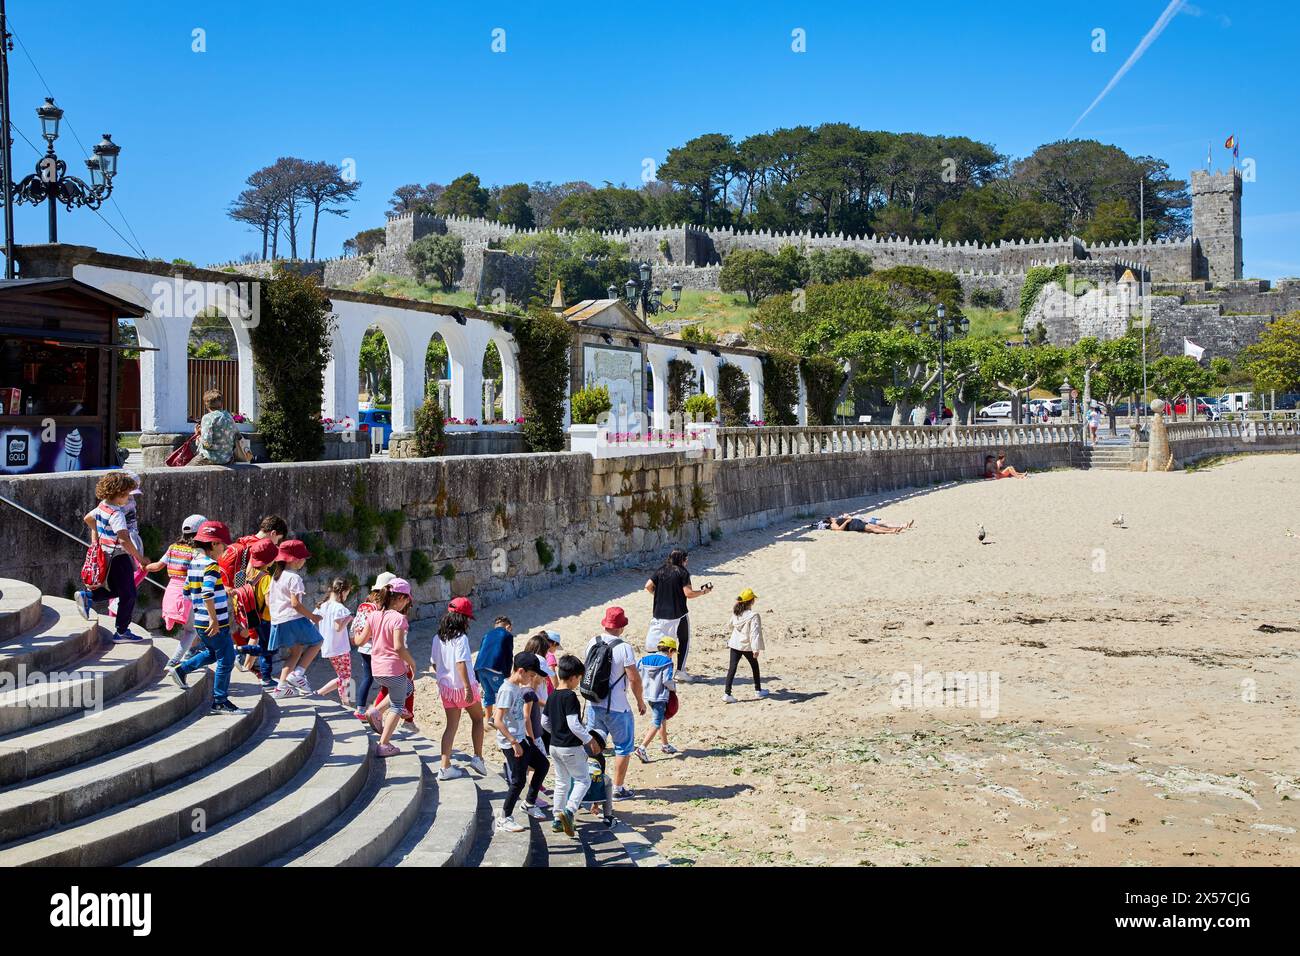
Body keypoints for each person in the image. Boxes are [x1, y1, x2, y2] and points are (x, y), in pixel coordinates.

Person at [164, 520, 241, 714]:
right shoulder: (211, 566)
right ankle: (220, 701)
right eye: (223, 545)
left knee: (213, 654)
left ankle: (181, 670)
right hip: (215, 623)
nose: (225, 549)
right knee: (227, 659)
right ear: (214, 544)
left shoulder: (194, 564)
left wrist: (221, 591)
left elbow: (188, 592)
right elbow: (207, 593)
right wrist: (214, 619)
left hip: (199, 620)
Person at [76, 471, 150, 641]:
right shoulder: (117, 514)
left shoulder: (103, 505)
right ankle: (122, 631)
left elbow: (88, 518)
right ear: (119, 494)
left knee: (118, 590)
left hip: (106, 554)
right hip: (119, 557)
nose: (128, 500)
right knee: (129, 594)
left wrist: (98, 539)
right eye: (127, 495)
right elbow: (124, 540)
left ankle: (87, 596)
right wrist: (140, 558)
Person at [583, 606, 645, 800]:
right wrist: (640, 701)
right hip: (618, 707)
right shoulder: (624, 648)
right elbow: (634, 678)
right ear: (621, 627)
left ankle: (591, 786)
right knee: (623, 747)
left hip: (594, 703)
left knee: (594, 746)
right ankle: (618, 788)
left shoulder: (593, 641)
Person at [542, 654, 602, 837]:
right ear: (574, 677)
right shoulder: (570, 697)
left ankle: (556, 819)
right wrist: (589, 739)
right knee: (583, 780)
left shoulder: (552, 696)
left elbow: (544, 722)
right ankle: (569, 811)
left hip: (554, 746)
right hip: (570, 747)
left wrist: (557, 734)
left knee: (562, 782)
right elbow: (574, 724)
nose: (579, 682)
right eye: (579, 679)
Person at [492, 651, 551, 833]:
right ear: (520, 670)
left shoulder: (517, 687)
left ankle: (529, 803)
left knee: (542, 765)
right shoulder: (507, 690)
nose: (532, 679)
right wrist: (513, 742)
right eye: (531, 675)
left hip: (521, 738)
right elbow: (497, 720)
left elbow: (519, 716)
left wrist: (527, 738)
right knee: (518, 780)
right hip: (512, 742)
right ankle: (504, 818)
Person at [431, 596, 488, 781]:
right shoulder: (461, 638)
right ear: (463, 619)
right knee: (478, 719)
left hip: (446, 688)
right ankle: (478, 758)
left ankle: (445, 766)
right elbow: (461, 663)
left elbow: (433, 664)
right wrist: (467, 688)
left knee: (451, 726)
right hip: (463, 687)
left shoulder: (437, 638)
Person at [363, 578, 418, 758]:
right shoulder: (399, 618)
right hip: (393, 668)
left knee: (406, 688)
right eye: (407, 601)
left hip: (376, 668)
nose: (407, 605)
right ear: (401, 598)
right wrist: (412, 662)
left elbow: (360, 640)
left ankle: (376, 710)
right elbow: (398, 647)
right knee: (397, 705)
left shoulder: (373, 615)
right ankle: (384, 744)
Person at [643, 549, 712, 683]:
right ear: (682, 560)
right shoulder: (683, 573)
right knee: (684, 640)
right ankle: (680, 671)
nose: (687, 562)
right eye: (686, 560)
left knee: (656, 642)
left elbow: (648, 586)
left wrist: (659, 595)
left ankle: (655, 668)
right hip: (678, 614)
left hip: (659, 613)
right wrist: (703, 592)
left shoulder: (661, 570)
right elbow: (689, 593)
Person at [266, 540, 323, 698]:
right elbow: (295, 604)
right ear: (294, 559)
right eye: (303, 558)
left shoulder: (276, 576)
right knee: (317, 642)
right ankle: (298, 673)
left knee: (295, 652)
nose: (304, 561)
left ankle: (281, 687)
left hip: (278, 619)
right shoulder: (294, 578)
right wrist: (313, 617)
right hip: (292, 618)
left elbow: (269, 598)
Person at [146, 513, 204, 667]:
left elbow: (157, 566)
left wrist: (143, 566)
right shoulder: (197, 553)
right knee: (191, 631)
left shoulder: (173, 548)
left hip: (170, 592)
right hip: (187, 593)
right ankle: (174, 661)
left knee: (190, 629)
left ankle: (191, 653)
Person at [351, 573, 394, 721]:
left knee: (367, 677)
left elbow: (357, 624)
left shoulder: (366, 602)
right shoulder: (381, 605)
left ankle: (360, 709)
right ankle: (379, 710)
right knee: (387, 679)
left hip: (363, 647)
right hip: (374, 646)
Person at [635, 636, 679, 762]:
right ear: (670, 650)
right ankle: (642, 748)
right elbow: (666, 680)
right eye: (673, 653)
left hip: (648, 694)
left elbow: (637, 670)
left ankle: (665, 745)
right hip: (660, 696)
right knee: (656, 722)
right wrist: (673, 688)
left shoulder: (644, 659)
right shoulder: (667, 662)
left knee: (662, 718)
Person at [315, 578, 355, 706]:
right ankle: (346, 704)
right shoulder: (339, 607)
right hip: (340, 647)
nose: (346, 596)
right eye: (347, 593)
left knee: (343, 676)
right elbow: (338, 627)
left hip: (328, 646)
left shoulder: (322, 605)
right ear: (342, 592)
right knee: (346, 677)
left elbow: (313, 621)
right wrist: (349, 619)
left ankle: (321, 694)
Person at [724, 587, 767, 703]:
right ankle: (758, 690)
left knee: (732, 668)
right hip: (746, 645)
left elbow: (729, 625)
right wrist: (755, 648)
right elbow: (754, 633)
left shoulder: (737, 612)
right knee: (754, 666)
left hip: (735, 644)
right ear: (751, 601)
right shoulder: (753, 615)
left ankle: (727, 693)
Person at [473, 615, 515, 728]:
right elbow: (508, 655)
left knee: (488, 693)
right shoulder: (507, 634)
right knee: (502, 692)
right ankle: (495, 718)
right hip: (495, 667)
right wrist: (507, 674)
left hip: (480, 667)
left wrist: (476, 674)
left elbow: (481, 652)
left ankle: (487, 719)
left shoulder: (486, 635)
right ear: (508, 626)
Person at [191, 389, 250, 466]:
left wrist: (198, 436)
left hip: (209, 458)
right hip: (227, 459)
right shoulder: (229, 416)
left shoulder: (208, 418)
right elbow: (236, 435)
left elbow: (207, 443)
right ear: (221, 403)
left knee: (184, 471)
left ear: (206, 404)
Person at [825, 514, 913, 534]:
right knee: (872, 529)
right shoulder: (833, 524)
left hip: (855, 522)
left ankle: (892, 529)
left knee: (875, 526)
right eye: (831, 517)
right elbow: (839, 529)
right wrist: (846, 521)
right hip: (853, 525)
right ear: (829, 520)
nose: (833, 517)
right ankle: (890, 531)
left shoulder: (836, 521)